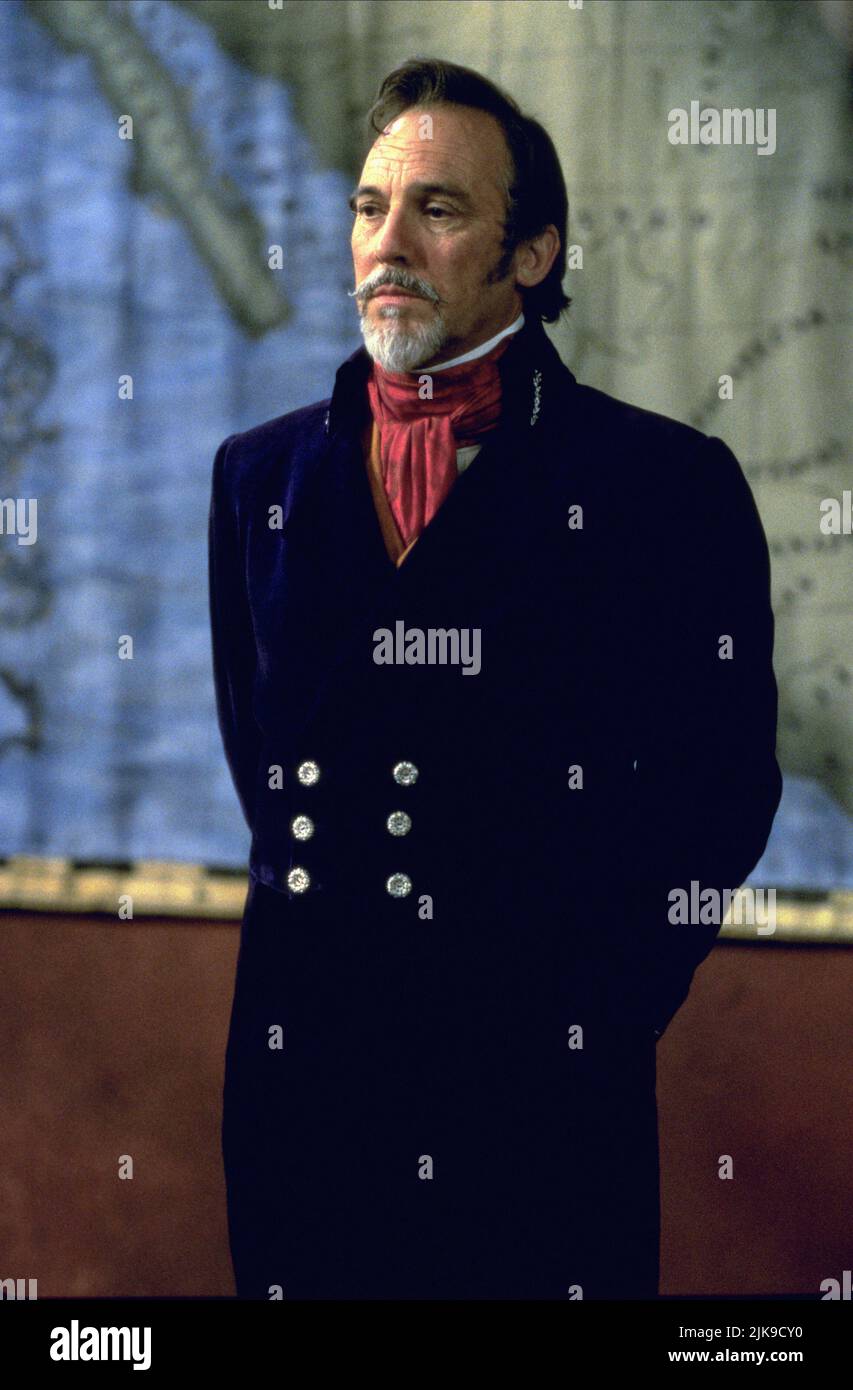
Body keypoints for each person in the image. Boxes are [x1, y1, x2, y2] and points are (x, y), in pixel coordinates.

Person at [208, 58, 783, 1300]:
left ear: (531, 253)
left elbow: (724, 790)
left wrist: (602, 1007)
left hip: (539, 1101)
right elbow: (263, 758)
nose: (388, 243)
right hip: (304, 1090)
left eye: (439, 209)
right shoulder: (256, 478)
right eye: (370, 207)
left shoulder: (661, 486)